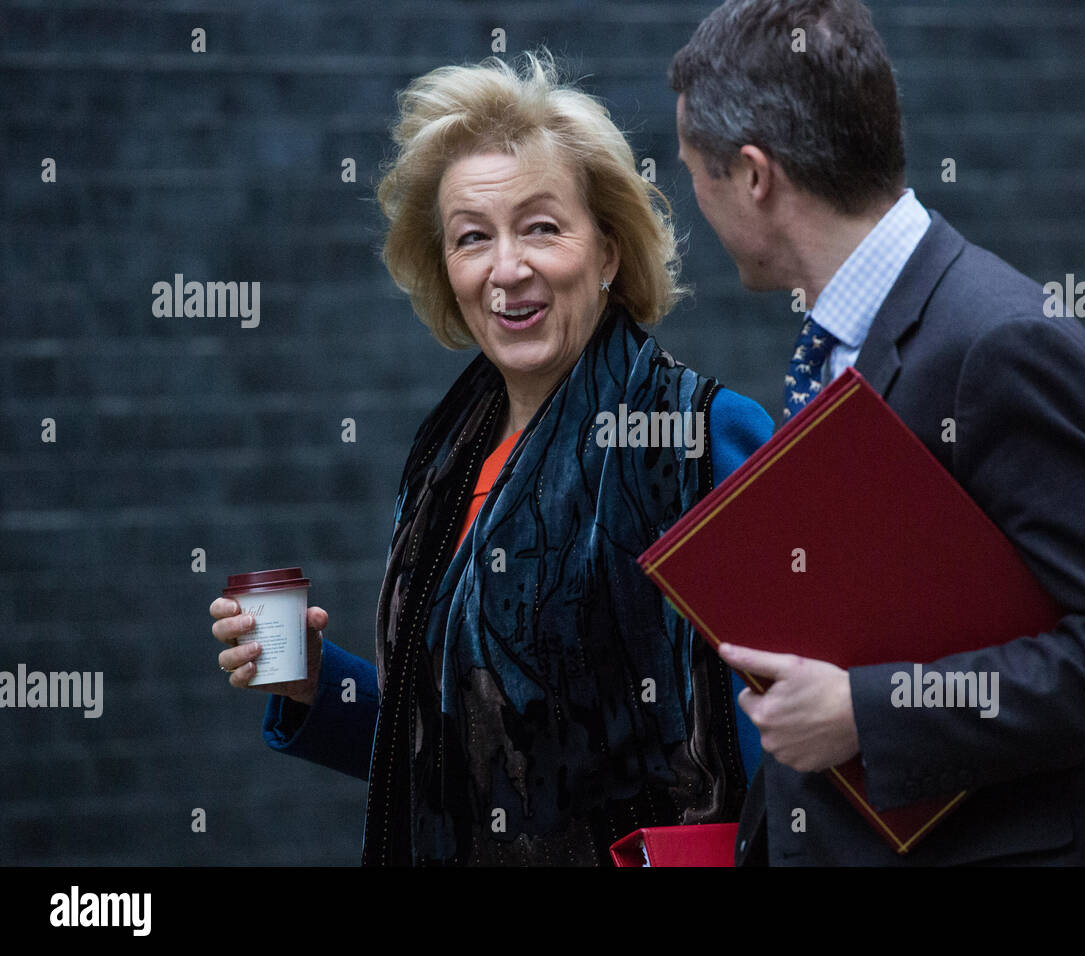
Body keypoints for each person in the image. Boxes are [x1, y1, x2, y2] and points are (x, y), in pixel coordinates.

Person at [668, 0, 1085, 865]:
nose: (695, 198)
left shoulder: (1002, 343)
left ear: (756, 175)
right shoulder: (838, 336)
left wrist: (866, 714)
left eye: (697, 170)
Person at [208, 50, 773, 866]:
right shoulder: (445, 459)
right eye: (474, 239)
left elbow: (793, 745)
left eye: (542, 227)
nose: (508, 270)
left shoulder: (703, 434)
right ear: (447, 270)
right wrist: (309, 682)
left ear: (608, 252)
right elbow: (454, 757)